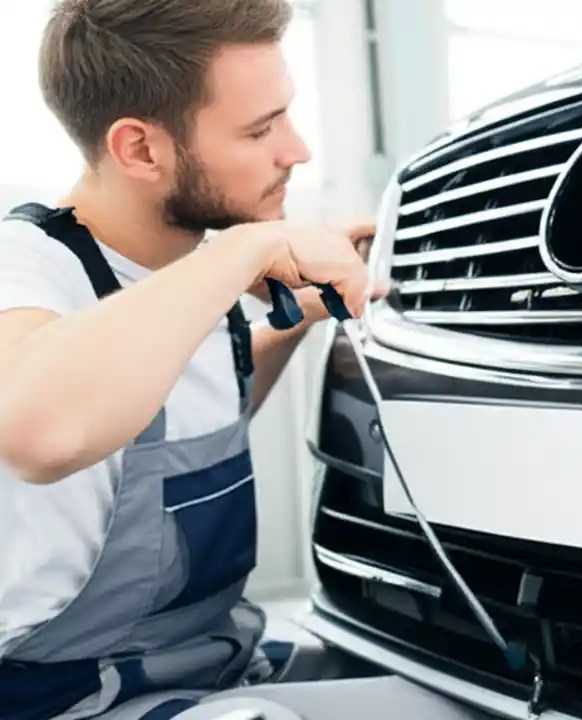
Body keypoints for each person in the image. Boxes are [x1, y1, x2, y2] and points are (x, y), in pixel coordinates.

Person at [0, 2, 489, 718]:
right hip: (66, 702)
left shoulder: (195, 266)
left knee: (460, 694)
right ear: (140, 150)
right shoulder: (27, 266)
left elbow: (171, 429)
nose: (297, 150)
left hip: (211, 665)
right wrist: (247, 250)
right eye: (261, 129)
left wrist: (297, 321)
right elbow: (40, 433)